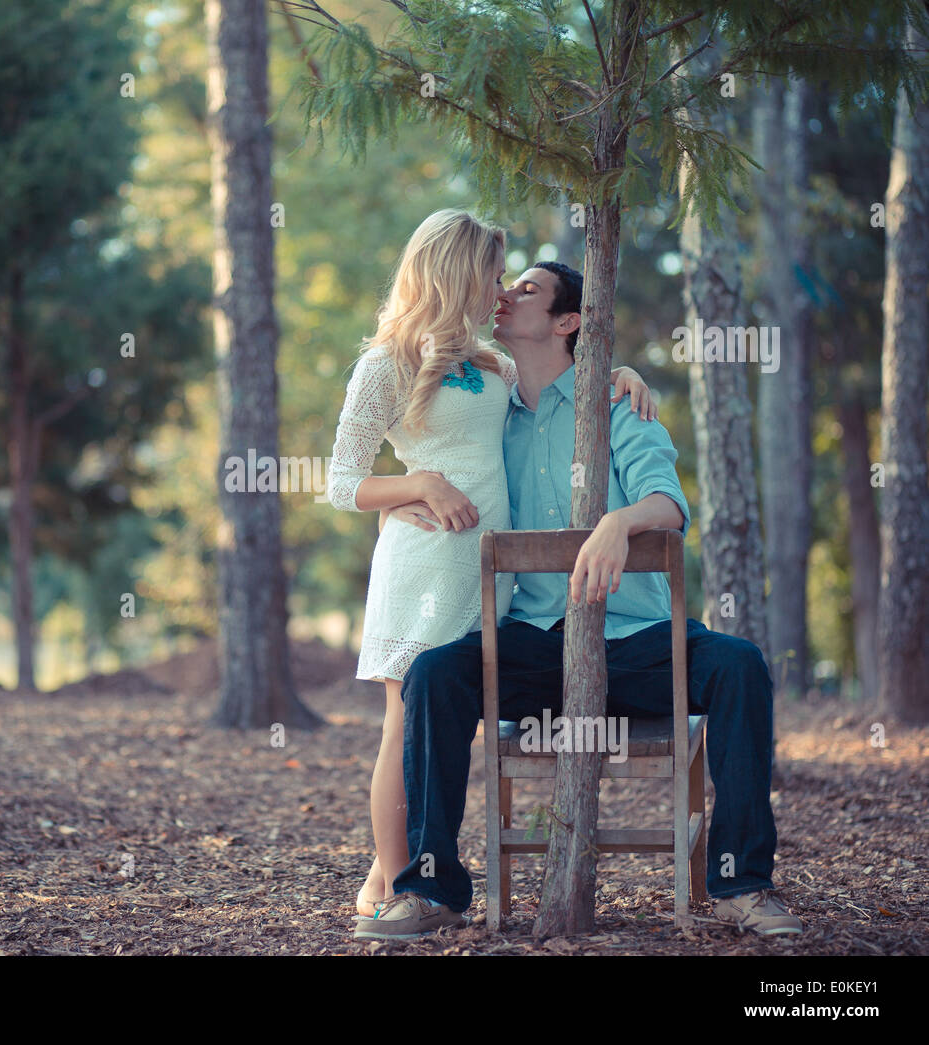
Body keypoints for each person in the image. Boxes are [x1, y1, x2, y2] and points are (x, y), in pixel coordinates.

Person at [353, 259, 804, 941]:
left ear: (568, 321)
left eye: (528, 289)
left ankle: (743, 883)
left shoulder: (616, 405)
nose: (505, 294)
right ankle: (429, 888)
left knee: (739, 665)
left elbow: (670, 504)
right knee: (433, 674)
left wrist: (620, 522)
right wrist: (413, 493)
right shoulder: (492, 412)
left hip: (634, 644)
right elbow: (434, 449)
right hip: (531, 647)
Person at [326, 212, 657, 919]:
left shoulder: (492, 363)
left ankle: (399, 875)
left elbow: (558, 384)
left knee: (443, 716)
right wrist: (420, 484)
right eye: (494, 273)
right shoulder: (386, 362)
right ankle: (393, 879)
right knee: (402, 722)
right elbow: (340, 482)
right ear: (456, 272)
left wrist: (617, 369)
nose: (501, 290)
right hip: (423, 564)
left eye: (509, 278)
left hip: (491, 575)